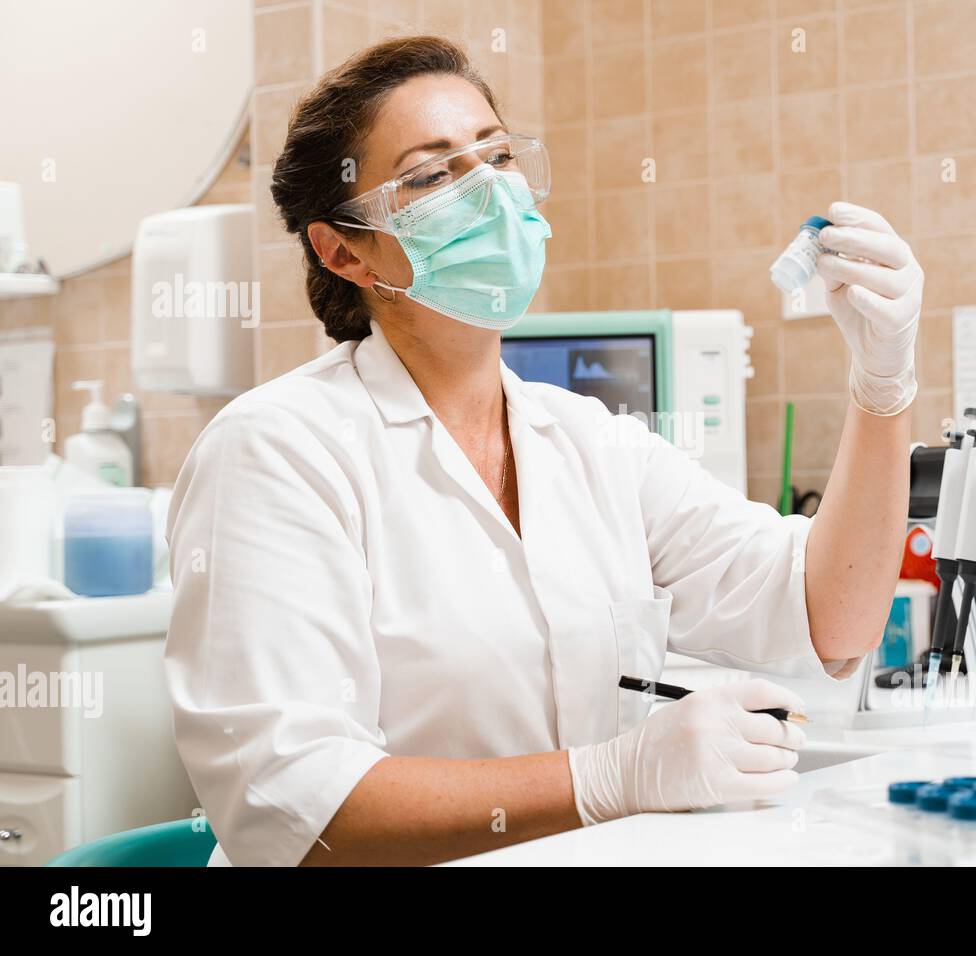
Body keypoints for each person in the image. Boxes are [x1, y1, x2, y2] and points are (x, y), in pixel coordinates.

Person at [164, 35, 924, 866]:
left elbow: (833, 614)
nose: (489, 191)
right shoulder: (278, 451)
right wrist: (609, 777)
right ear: (345, 249)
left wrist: (882, 389)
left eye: (497, 156)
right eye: (431, 175)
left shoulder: (589, 442)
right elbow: (297, 807)